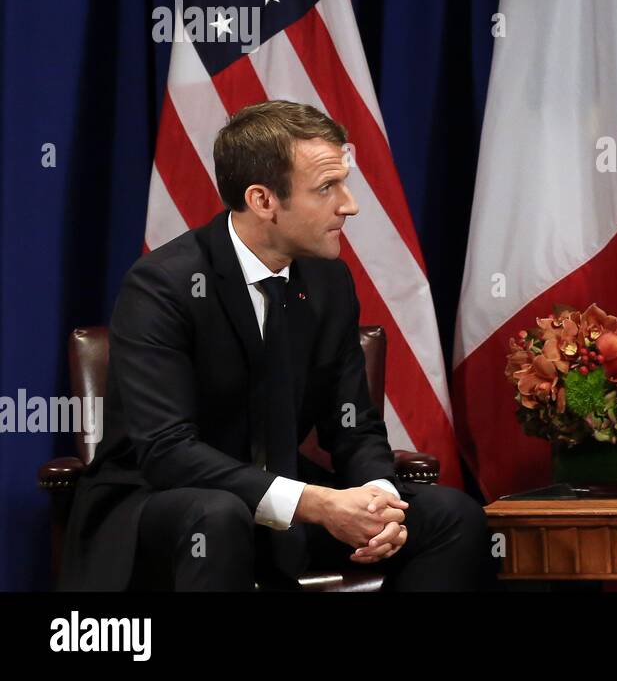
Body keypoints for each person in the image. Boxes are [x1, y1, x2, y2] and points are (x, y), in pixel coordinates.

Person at [61, 100, 491, 591]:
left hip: (284, 500)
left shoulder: (329, 281)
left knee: (451, 515)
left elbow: (355, 427)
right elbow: (167, 451)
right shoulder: (163, 285)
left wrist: (378, 501)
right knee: (218, 514)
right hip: (161, 504)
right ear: (264, 200)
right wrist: (316, 503)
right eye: (327, 188)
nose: (349, 204)